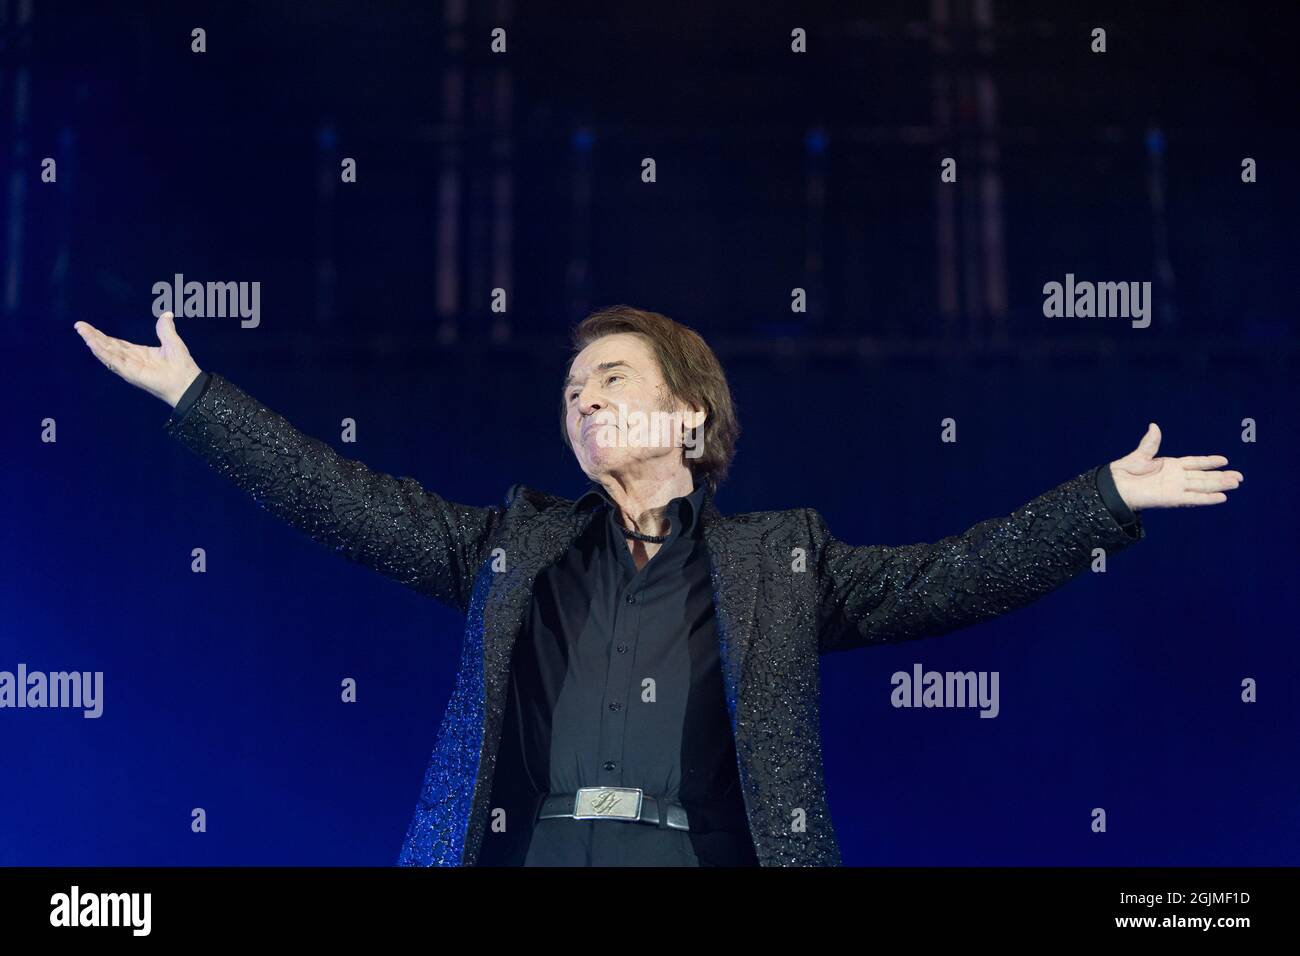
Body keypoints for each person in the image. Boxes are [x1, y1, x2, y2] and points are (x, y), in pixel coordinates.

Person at [73, 304, 1243, 866]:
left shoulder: (780, 558)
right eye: (571, 387)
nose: (582, 397)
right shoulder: (508, 545)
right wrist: (194, 396)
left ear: (686, 410)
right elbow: (336, 496)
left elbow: (957, 576)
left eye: (610, 377)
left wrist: (1104, 500)